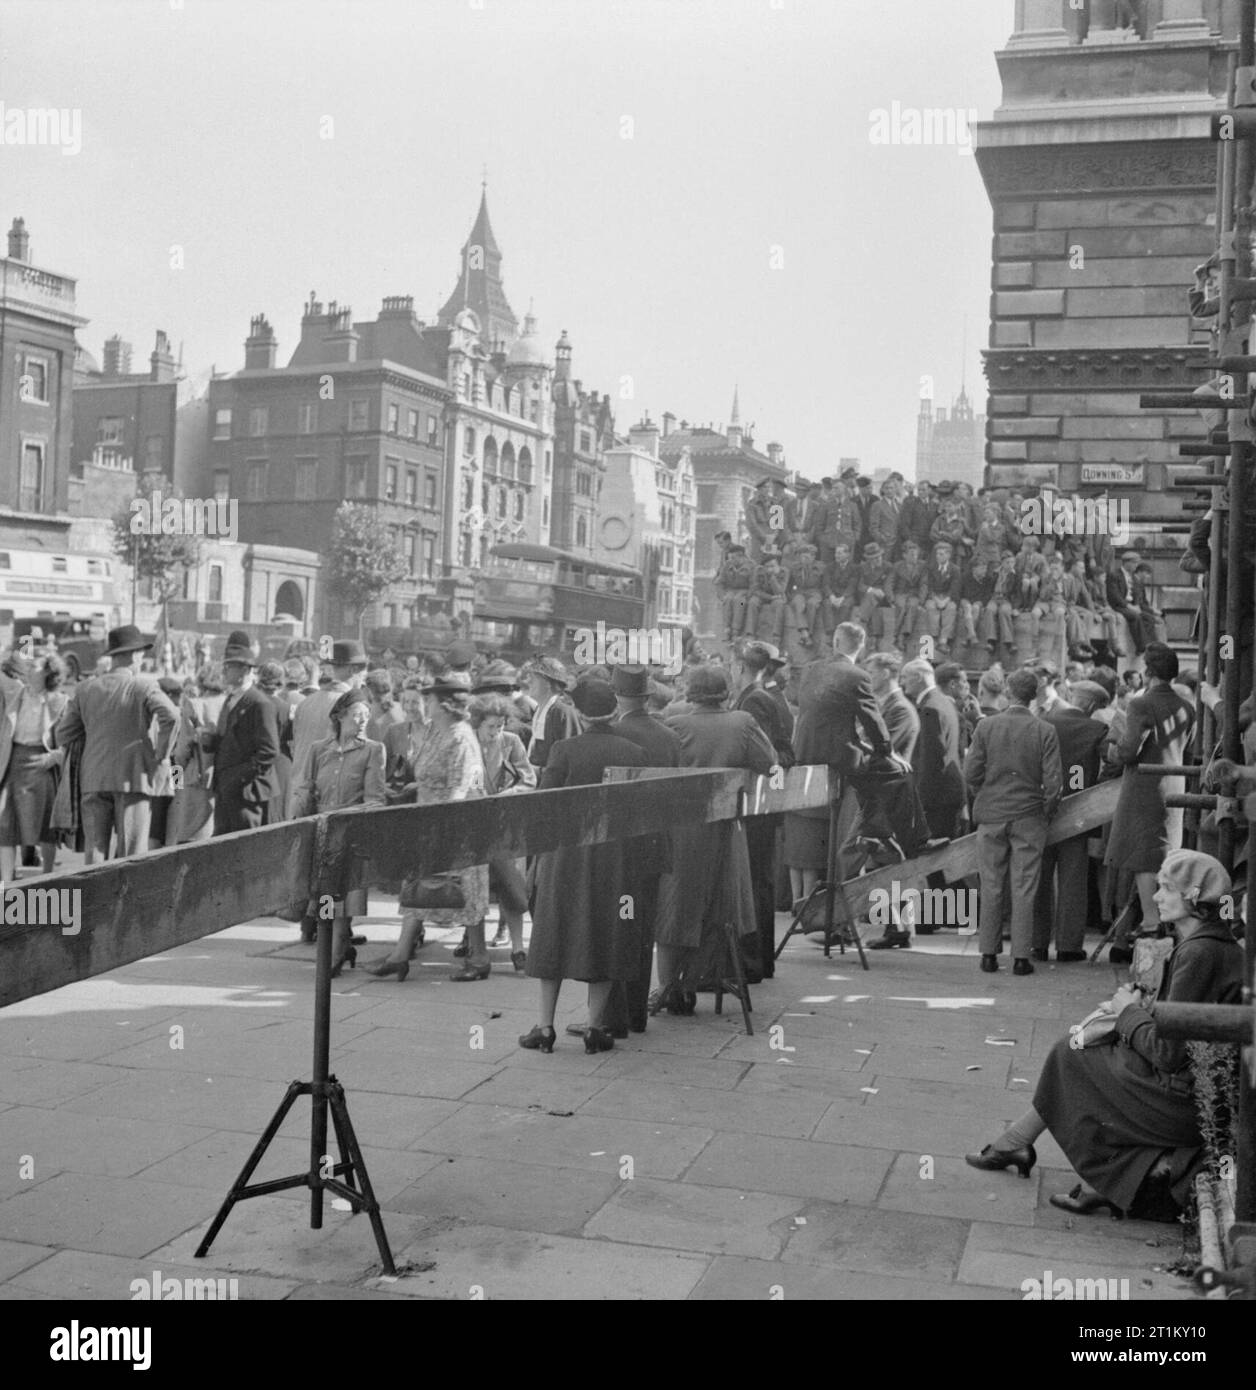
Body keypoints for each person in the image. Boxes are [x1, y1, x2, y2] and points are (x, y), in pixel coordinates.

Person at [966, 849, 1243, 1221]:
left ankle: (1028, 1149)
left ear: (1193, 898)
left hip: (1188, 1105)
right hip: (1197, 1092)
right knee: (1077, 1051)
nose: (1156, 897)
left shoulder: (1199, 953)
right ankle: (1023, 1148)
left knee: (1072, 1055)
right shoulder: (1209, 944)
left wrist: (1127, 1012)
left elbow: (1169, 1053)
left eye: (1166, 889)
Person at [519, 680, 648, 1053]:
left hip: (567, 856)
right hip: (614, 858)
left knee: (553, 931)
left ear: (578, 712)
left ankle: (544, 1027)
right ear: (614, 710)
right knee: (608, 933)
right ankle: (595, 1027)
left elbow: (542, 807)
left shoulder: (564, 751)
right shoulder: (634, 752)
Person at [651, 665, 775, 1010]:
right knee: (720, 909)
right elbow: (770, 762)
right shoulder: (742, 723)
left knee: (674, 910)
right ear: (726, 692)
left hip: (682, 831)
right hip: (726, 831)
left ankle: (668, 990)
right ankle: (694, 980)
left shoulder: (673, 722)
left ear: (690, 692)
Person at [364, 671, 491, 983]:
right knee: (417, 889)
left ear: (446, 705)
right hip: (429, 820)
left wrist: (440, 827)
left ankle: (479, 956)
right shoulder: (437, 731)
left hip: (455, 827)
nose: (425, 703)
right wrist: (411, 789)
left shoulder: (461, 737)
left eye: (430, 698)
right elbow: (430, 773)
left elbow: (460, 788)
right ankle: (400, 955)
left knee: (463, 892)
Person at [963, 667, 1062, 975]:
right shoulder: (1045, 730)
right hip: (1029, 816)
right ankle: (1021, 958)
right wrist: (1043, 810)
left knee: (991, 884)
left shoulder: (986, 726)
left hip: (992, 816)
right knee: (1025, 886)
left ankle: (988, 955)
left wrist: (988, 793)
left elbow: (970, 774)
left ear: (1008, 692)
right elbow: (1055, 784)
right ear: (1035, 695)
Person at [54, 625, 179, 863]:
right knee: (131, 853)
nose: (142, 658)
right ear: (133, 655)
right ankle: (127, 900)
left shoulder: (86, 688)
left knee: (95, 851)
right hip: (134, 777)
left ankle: (94, 898)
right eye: (142, 653)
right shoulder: (143, 686)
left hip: (93, 778)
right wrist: (161, 754)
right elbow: (172, 716)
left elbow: (63, 734)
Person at [787, 621, 891, 904]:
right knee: (854, 820)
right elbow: (872, 719)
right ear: (862, 645)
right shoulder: (856, 675)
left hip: (805, 754)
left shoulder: (811, 669)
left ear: (835, 642)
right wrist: (884, 749)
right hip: (839, 761)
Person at [1104, 643, 1196, 959]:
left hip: (1143, 788)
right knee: (1164, 855)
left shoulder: (1140, 704)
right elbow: (1188, 749)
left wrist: (1112, 749)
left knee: (1142, 858)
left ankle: (1151, 923)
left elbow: (1128, 751)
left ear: (1149, 672)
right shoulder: (1188, 707)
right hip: (1175, 787)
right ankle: (1155, 922)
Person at [289, 687, 386, 976]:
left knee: (345, 895)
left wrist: (344, 818)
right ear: (339, 717)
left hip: (352, 833)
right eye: (357, 715)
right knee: (325, 895)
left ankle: (338, 946)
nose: (363, 721)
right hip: (320, 832)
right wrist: (298, 816)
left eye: (366, 716)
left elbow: (375, 800)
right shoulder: (319, 750)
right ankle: (335, 945)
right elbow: (306, 788)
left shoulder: (373, 750)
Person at [1030, 678, 1112, 964]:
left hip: (1041, 809)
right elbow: (1113, 762)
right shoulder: (1096, 728)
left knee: (1039, 878)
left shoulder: (1045, 721)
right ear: (1091, 705)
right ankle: (1068, 946)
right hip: (1079, 811)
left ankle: (1036, 943)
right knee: (1073, 881)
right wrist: (1096, 783)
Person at [471, 691, 536, 967]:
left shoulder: (512, 742)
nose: (496, 732)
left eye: (500, 726)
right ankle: (473, 944)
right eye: (490, 727)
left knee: (512, 888)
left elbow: (529, 780)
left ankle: (519, 948)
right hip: (473, 827)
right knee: (476, 888)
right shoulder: (468, 743)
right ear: (477, 723)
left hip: (506, 828)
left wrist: (510, 794)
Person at [208, 631, 280, 835]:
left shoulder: (259, 703)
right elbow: (230, 741)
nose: (223, 671)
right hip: (226, 791)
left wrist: (236, 779)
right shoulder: (231, 699)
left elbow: (269, 751)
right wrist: (211, 741)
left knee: (245, 853)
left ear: (243, 670)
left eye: (228, 666)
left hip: (247, 793)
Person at [2, 653, 68, 875]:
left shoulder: (59, 701)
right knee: (5, 826)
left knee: (45, 827)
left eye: (37, 666)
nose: (30, 669)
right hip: (14, 762)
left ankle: (47, 875)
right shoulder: (17, 693)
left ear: (49, 673)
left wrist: (53, 758)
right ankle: (6, 883)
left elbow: (71, 742)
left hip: (42, 765)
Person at [288, 639, 369, 811]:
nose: (363, 679)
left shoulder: (306, 703)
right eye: (362, 673)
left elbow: (295, 747)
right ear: (353, 669)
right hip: (332, 801)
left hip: (299, 796)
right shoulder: (355, 707)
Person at [900, 658, 966, 841]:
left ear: (919, 677)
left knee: (932, 862)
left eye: (905, 677)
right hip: (948, 794)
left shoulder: (929, 708)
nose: (902, 682)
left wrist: (919, 804)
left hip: (936, 800)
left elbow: (932, 761)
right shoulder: (942, 702)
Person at [524, 657, 582, 770]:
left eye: (533, 678)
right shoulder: (541, 710)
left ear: (548, 683)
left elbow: (568, 760)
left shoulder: (562, 713)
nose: (528, 681)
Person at [865, 651, 919, 763]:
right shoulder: (880, 705)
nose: (867, 679)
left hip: (889, 778)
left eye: (871, 673)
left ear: (885, 674)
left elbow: (883, 750)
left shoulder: (901, 709)